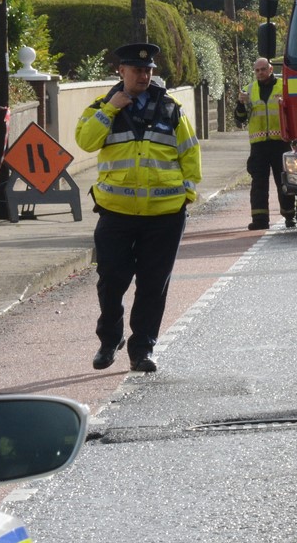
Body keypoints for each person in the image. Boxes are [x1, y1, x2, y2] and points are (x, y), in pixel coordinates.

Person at [75, 42, 202, 373]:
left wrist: (187, 193)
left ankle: (142, 349)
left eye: (148, 70)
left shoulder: (172, 110)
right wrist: (110, 109)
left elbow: (190, 152)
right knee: (111, 278)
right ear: (121, 71)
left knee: (152, 283)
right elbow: (85, 141)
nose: (144, 75)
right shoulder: (101, 107)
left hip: (165, 215)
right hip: (116, 213)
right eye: (137, 70)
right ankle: (109, 339)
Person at [235, 58, 297, 230]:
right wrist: (241, 104)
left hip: (281, 142)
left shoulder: (283, 87)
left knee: (284, 181)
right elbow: (239, 120)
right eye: (257, 70)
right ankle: (259, 220)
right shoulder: (249, 90)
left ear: (271, 69)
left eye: (263, 69)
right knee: (258, 183)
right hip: (259, 145)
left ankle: (289, 215)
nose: (260, 73)